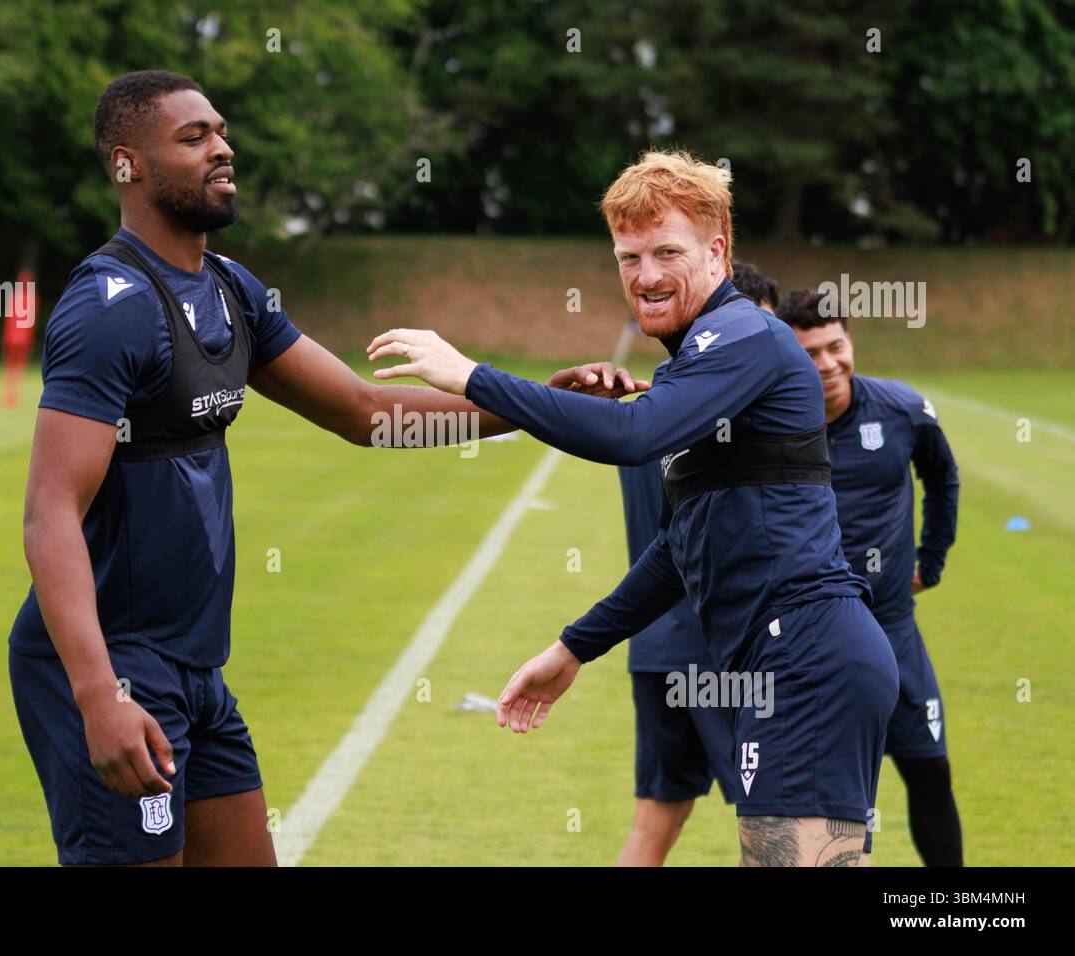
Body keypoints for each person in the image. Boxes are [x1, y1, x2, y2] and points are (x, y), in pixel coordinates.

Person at [7, 69, 603, 867]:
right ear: (127, 165)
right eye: (193, 138)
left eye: (220, 132)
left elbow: (362, 413)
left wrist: (532, 403)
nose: (223, 148)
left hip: (193, 667)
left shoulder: (229, 289)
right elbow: (50, 510)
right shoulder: (110, 305)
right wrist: (97, 695)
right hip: (112, 664)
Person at [368, 150, 899, 866]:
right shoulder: (695, 364)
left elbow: (633, 433)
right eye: (628, 257)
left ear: (718, 251)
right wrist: (573, 647)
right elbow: (684, 542)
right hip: (785, 660)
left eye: (666, 252)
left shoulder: (744, 335)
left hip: (806, 658)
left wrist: (471, 378)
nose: (645, 276)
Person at [777, 288, 963, 866]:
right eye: (809, 352)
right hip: (821, 644)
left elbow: (943, 477)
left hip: (896, 629)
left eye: (836, 346)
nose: (828, 364)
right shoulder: (773, 427)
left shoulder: (901, 409)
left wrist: (929, 563)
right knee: (846, 804)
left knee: (931, 773)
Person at [614, 260, 777, 866]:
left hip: (654, 649)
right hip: (721, 650)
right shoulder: (730, 427)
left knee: (654, 823)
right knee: (772, 823)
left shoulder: (648, 412)